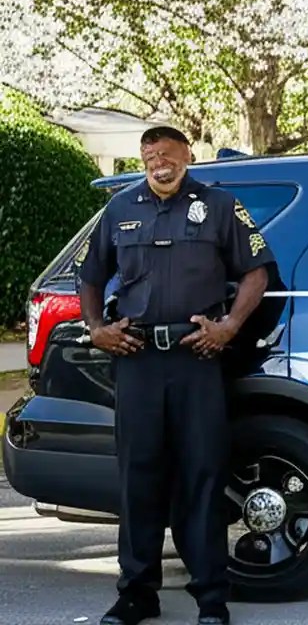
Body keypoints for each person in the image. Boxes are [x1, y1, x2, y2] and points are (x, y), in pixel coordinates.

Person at [77, 126, 275, 625]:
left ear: (188, 154)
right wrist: (96, 327)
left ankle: (211, 594)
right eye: (150, 154)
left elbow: (258, 271)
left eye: (167, 152)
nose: (158, 160)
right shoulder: (120, 208)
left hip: (197, 359)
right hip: (138, 357)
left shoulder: (220, 205)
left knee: (202, 475)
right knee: (138, 478)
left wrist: (230, 326)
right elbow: (90, 274)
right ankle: (137, 593)